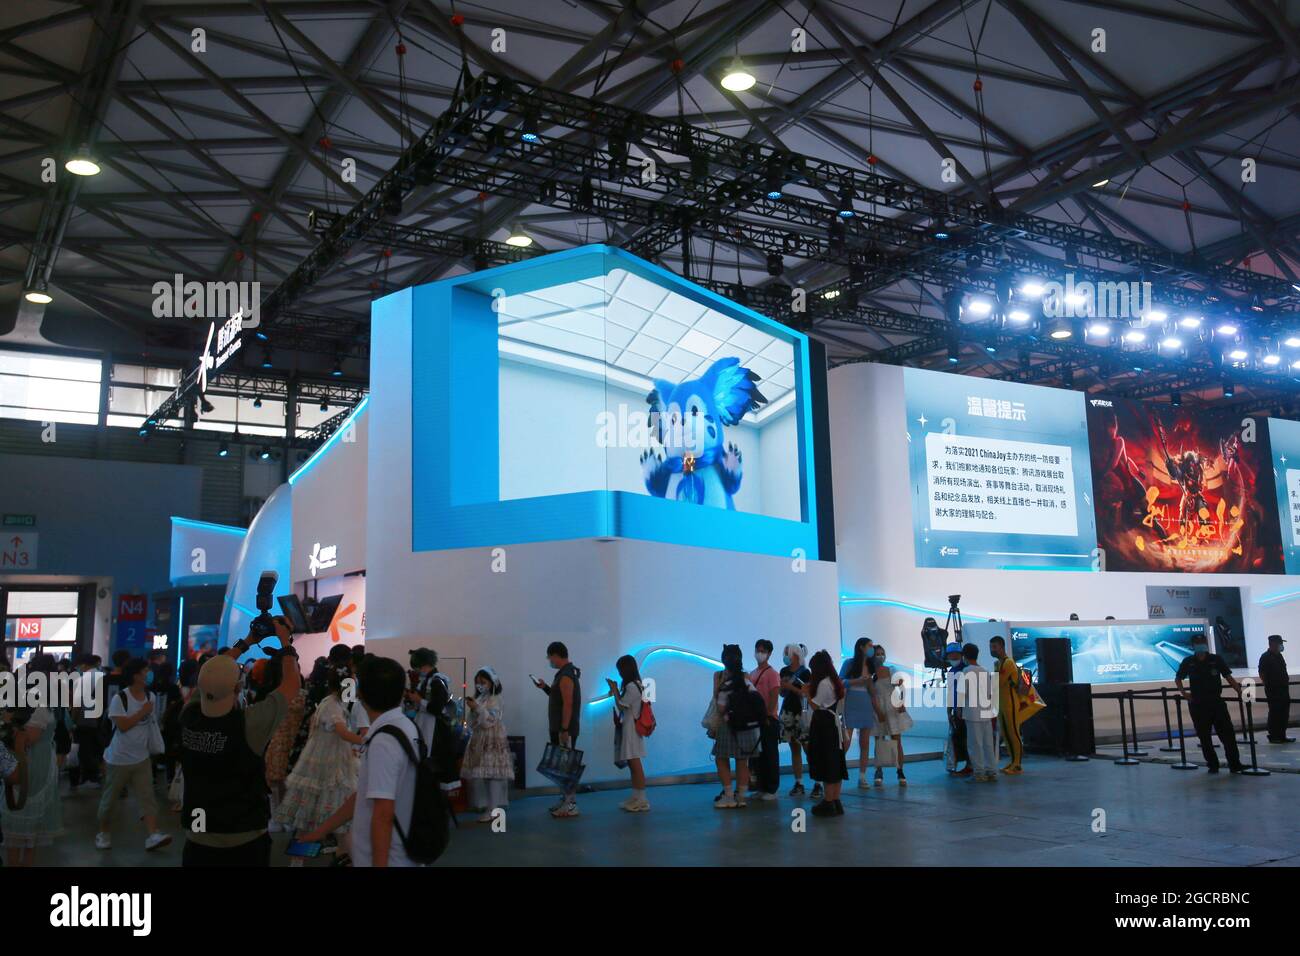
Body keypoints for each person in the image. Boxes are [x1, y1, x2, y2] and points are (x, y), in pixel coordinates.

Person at [177, 632, 300, 867]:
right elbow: (292, 685)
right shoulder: (249, 725)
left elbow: (212, 676)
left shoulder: (188, 716)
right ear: (238, 687)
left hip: (197, 834)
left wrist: (246, 642)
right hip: (244, 837)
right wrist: (284, 641)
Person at [300, 656, 423, 867]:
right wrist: (322, 830)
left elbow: (383, 813)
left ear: (362, 693)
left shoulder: (383, 740)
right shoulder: (405, 726)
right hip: (400, 849)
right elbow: (365, 794)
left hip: (389, 857)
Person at [274, 664, 362, 835]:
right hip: (326, 759)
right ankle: (306, 844)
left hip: (328, 756)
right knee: (318, 802)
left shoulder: (333, 703)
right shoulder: (332, 705)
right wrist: (367, 740)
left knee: (320, 802)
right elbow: (342, 732)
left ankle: (313, 841)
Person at [95, 657, 171, 853]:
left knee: (147, 798)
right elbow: (123, 725)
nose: (149, 673)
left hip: (142, 758)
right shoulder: (120, 698)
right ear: (136, 675)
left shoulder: (150, 696)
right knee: (110, 800)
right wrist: (143, 712)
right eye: (145, 670)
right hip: (118, 759)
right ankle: (103, 833)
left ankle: (153, 834)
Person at [2, 658, 63, 865]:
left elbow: (28, 739)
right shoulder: (43, 700)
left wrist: (9, 724)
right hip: (38, 762)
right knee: (28, 836)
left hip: (30, 764)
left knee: (19, 825)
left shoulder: (37, 704)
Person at [1175, 634, 1246, 773]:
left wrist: (1239, 691)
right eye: (1198, 643)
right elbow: (1178, 678)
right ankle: (1213, 765)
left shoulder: (1215, 659)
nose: (1201, 645)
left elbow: (1228, 676)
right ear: (1193, 646)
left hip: (1216, 702)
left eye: (1203, 642)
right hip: (1198, 704)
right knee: (1204, 737)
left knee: (1228, 735)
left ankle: (1235, 764)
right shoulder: (1188, 661)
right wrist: (1184, 693)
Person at [532, 642, 582, 818]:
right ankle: (565, 800)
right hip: (559, 728)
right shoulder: (563, 674)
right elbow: (558, 698)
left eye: (549, 657)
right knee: (561, 766)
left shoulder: (566, 676)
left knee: (567, 766)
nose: (549, 660)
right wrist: (545, 687)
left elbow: (568, 704)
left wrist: (564, 729)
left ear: (555, 655)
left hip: (564, 729)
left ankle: (571, 804)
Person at [462, 666, 515, 822]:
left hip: (493, 738)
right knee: (486, 774)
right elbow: (473, 720)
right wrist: (474, 709)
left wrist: (477, 708)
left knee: (493, 774)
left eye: (483, 682)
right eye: (478, 682)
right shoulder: (481, 698)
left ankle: (494, 809)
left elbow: (491, 720)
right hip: (480, 738)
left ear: (492, 682)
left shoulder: (496, 698)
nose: (480, 685)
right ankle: (490, 807)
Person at [711, 644, 760, 808]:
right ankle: (741, 797)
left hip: (728, 726)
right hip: (747, 728)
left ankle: (728, 796)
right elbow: (757, 700)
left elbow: (720, 707)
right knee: (742, 761)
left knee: (721, 759)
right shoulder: (747, 681)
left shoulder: (724, 683)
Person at [405, 647, 459, 792]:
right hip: (425, 723)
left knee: (432, 760)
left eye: (417, 667)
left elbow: (437, 707)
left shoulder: (437, 681)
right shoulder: (426, 681)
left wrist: (419, 700)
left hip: (434, 728)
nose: (417, 670)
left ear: (424, 665)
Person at [806, 649, 847, 816]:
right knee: (835, 762)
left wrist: (806, 693)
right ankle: (835, 800)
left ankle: (828, 801)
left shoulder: (823, 684)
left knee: (827, 762)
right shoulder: (833, 681)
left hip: (823, 725)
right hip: (832, 724)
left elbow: (815, 705)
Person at [869, 643, 913, 786]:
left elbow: (899, 687)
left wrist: (901, 703)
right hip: (878, 709)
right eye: (877, 654)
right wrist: (878, 711)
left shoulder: (891, 670)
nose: (880, 656)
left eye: (882, 653)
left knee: (897, 740)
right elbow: (871, 695)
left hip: (892, 707)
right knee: (879, 740)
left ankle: (900, 771)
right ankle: (879, 770)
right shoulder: (870, 674)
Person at [839, 637, 876, 789]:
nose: (872, 648)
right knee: (846, 741)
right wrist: (858, 681)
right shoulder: (849, 663)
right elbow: (840, 681)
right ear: (861, 647)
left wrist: (869, 683)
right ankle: (837, 772)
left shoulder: (871, 665)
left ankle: (862, 776)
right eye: (869, 645)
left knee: (865, 742)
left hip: (866, 703)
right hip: (851, 702)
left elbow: (872, 691)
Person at [748, 639, 781, 801]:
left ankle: (772, 789)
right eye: (757, 650)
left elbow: (774, 695)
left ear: (769, 654)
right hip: (755, 720)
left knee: (770, 754)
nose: (759, 654)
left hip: (768, 719)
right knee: (757, 756)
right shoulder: (752, 673)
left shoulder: (772, 674)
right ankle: (761, 787)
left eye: (763, 651)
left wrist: (768, 714)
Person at [960, 644, 997, 782]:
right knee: (988, 744)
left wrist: (958, 709)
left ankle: (979, 773)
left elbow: (962, 693)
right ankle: (991, 770)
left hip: (972, 713)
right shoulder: (985, 671)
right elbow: (990, 693)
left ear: (964, 656)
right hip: (986, 712)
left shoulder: (965, 671)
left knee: (975, 744)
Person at [779, 643, 813, 795]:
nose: (786, 655)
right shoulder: (783, 671)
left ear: (795, 654)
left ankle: (818, 781)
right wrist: (783, 688)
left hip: (802, 711)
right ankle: (798, 782)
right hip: (788, 711)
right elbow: (782, 693)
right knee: (794, 748)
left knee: (808, 748)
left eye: (788, 652)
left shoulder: (805, 672)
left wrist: (790, 687)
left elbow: (806, 694)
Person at [990, 636, 1024, 774]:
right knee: (1006, 733)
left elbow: (998, 682)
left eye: (994, 647)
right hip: (1002, 704)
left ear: (1002, 647)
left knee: (1013, 732)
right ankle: (1012, 761)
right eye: (991, 647)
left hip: (1010, 703)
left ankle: (1017, 764)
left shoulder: (1008, 663)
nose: (992, 650)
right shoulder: (998, 664)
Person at [70, 654, 104, 790]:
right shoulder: (102, 676)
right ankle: (96, 775)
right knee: (96, 748)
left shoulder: (84, 679)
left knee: (84, 750)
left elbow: (77, 703)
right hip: (99, 719)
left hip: (85, 720)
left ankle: (90, 777)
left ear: (83, 665)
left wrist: (72, 720)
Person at [1258, 635, 1294, 744]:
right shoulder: (1265, 657)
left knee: (1284, 713)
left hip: (1283, 689)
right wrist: (1268, 685)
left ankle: (1282, 735)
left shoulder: (1279, 656)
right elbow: (1262, 673)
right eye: (1279, 643)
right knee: (1275, 712)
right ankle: (1273, 736)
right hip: (1273, 690)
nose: (1281, 645)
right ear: (1273, 644)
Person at [945, 642, 971, 776]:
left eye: (956, 655)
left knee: (967, 739)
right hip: (956, 711)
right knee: (958, 739)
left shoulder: (966, 670)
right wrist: (949, 711)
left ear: (961, 655)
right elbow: (951, 692)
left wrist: (960, 708)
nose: (953, 657)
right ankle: (962, 764)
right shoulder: (951, 672)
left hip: (966, 710)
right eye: (951, 655)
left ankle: (970, 765)